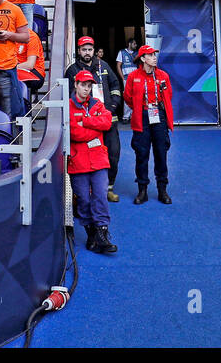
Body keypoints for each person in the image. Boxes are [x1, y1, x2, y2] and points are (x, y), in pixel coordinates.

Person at [65, 36, 123, 202]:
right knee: (89, 155)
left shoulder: (103, 65)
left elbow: (115, 86)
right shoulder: (72, 70)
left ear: (94, 50)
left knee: (113, 154)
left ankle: (108, 188)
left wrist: (112, 106)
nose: (87, 52)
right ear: (79, 51)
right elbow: (69, 96)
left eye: (90, 49)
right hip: (86, 123)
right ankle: (90, 190)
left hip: (107, 119)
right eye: (84, 49)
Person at [69, 70, 118, 255]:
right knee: (83, 199)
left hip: (98, 159)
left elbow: (106, 123)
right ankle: (91, 234)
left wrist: (86, 121)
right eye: (83, 85)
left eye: (89, 86)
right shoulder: (68, 106)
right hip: (78, 161)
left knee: (100, 195)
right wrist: (94, 127)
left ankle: (102, 235)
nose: (86, 89)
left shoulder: (97, 103)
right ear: (76, 84)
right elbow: (75, 133)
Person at [123, 44, 173, 205]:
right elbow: (127, 97)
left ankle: (162, 189)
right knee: (141, 154)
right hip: (142, 117)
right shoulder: (133, 77)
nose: (154, 57)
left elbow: (169, 94)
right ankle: (142, 190)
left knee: (161, 153)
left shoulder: (163, 75)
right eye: (150, 55)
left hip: (159, 115)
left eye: (154, 55)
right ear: (143, 59)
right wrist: (139, 109)